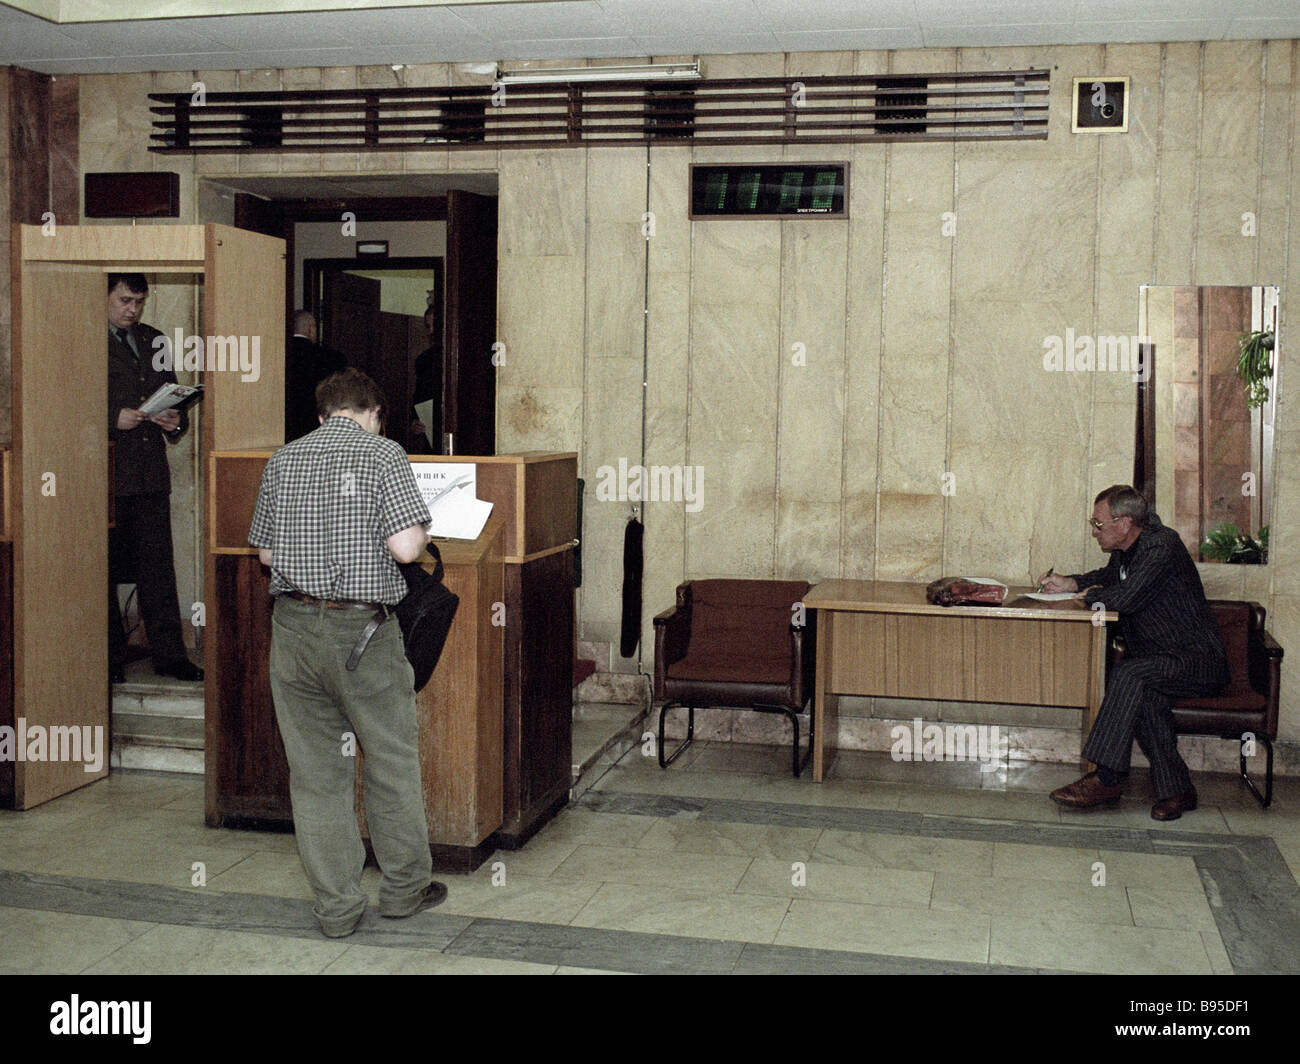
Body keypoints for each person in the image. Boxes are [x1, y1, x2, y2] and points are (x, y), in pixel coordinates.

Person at [248, 367, 445, 938]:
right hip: (363, 634)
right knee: (389, 760)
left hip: (293, 628)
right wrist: (426, 530)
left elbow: (263, 554)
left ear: (322, 414)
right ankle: (405, 890)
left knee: (314, 775)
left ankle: (336, 908)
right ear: (374, 413)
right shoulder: (384, 455)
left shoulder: (285, 458)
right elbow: (406, 547)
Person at [1040, 485, 1227, 821]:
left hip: (1196, 661)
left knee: (1129, 674)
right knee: (1143, 697)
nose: (1094, 531)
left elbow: (1126, 596)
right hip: (1160, 662)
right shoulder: (1129, 547)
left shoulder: (1161, 546)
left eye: (1098, 524)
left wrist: (1092, 596)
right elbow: (1111, 577)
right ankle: (1177, 791)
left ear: (1124, 523)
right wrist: (1072, 582)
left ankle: (1106, 778)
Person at [107, 273, 204, 684]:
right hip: (107, 476)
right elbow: (62, 403)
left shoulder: (153, 339)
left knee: (158, 569)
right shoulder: (79, 336)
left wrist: (173, 420)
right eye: (126, 300)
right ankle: (109, 657)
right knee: (103, 569)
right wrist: (110, 420)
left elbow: (172, 396)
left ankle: (169, 656)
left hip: (149, 473)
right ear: (104, 296)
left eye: (140, 302)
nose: (133, 310)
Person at [285, 309, 347, 442]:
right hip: (316, 428)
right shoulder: (332, 359)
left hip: (282, 428)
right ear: (311, 329)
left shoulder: (279, 354)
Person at [408, 305, 443, 455]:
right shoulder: (424, 360)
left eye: (435, 325)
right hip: (430, 437)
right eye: (428, 326)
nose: (431, 331)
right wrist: (414, 421)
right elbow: (419, 396)